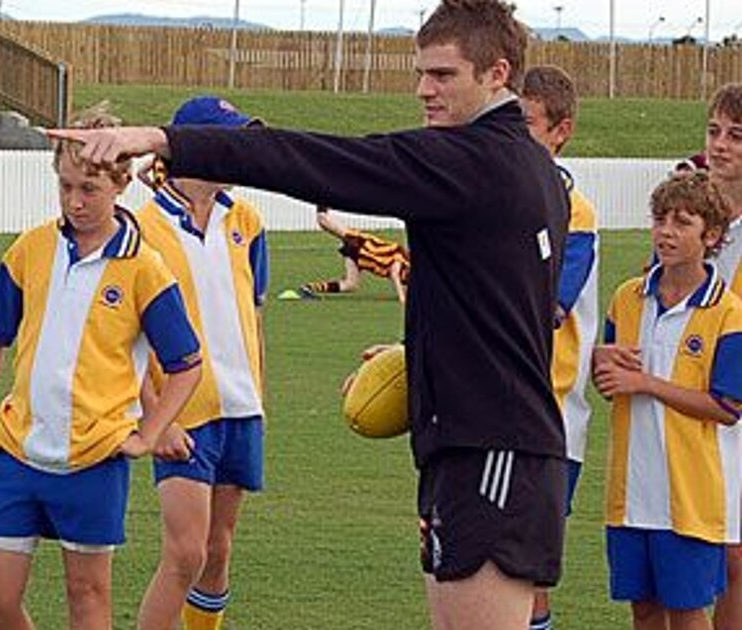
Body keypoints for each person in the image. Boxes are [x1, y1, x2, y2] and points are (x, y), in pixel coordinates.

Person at [50, 1, 571, 627]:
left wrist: (164, 140)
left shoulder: (470, 161)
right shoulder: (531, 166)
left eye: (442, 75)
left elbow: (317, 160)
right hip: (485, 441)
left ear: (497, 74)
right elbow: (509, 307)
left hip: (491, 448)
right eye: (420, 73)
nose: (423, 90)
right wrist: (424, 353)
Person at [0, 107, 203, 630]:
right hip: (18, 450)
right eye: (66, 186)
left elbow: (186, 366)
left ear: (121, 183)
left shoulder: (144, 267)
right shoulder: (31, 248)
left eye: (90, 189)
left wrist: (147, 435)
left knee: (88, 597)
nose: (75, 201)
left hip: (94, 459)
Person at [131, 96, 269, 630]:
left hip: (240, 408)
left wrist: (261, 396)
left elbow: (254, 314)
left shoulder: (248, 221)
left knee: (217, 550)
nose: (240, 152)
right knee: (185, 555)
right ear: (193, 146)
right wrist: (153, 418)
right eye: (228, 139)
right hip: (182, 413)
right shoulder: (141, 228)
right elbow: (126, 338)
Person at [593, 170, 742, 630]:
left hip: (690, 494)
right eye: (660, 220)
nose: (665, 232)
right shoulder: (627, 298)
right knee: (643, 608)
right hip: (631, 490)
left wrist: (648, 385)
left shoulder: (728, 312)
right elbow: (609, 380)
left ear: (711, 235)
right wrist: (605, 370)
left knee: (686, 609)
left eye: (681, 222)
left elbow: (728, 407)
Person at [519, 64, 599, 630]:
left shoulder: (576, 212)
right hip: (496, 407)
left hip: (550, 415)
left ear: (559, 131)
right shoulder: (498, 196)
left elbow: (542, 311)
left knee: (530, 571)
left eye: (524, 124)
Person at [697, 83, 742, 630]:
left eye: (736, 135)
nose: (722, 145)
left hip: (732, 407)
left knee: (733, 557)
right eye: (715, 132)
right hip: (690, 407)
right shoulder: (691, 219)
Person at [279, 206, 410, 303]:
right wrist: (401, 298)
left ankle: (308, 288)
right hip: (362, 245)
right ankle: (321, 193)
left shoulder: (411, 277)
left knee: (350, 285)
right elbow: (394, 271)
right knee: (324, 222)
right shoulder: (407, 261)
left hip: (362, 259)